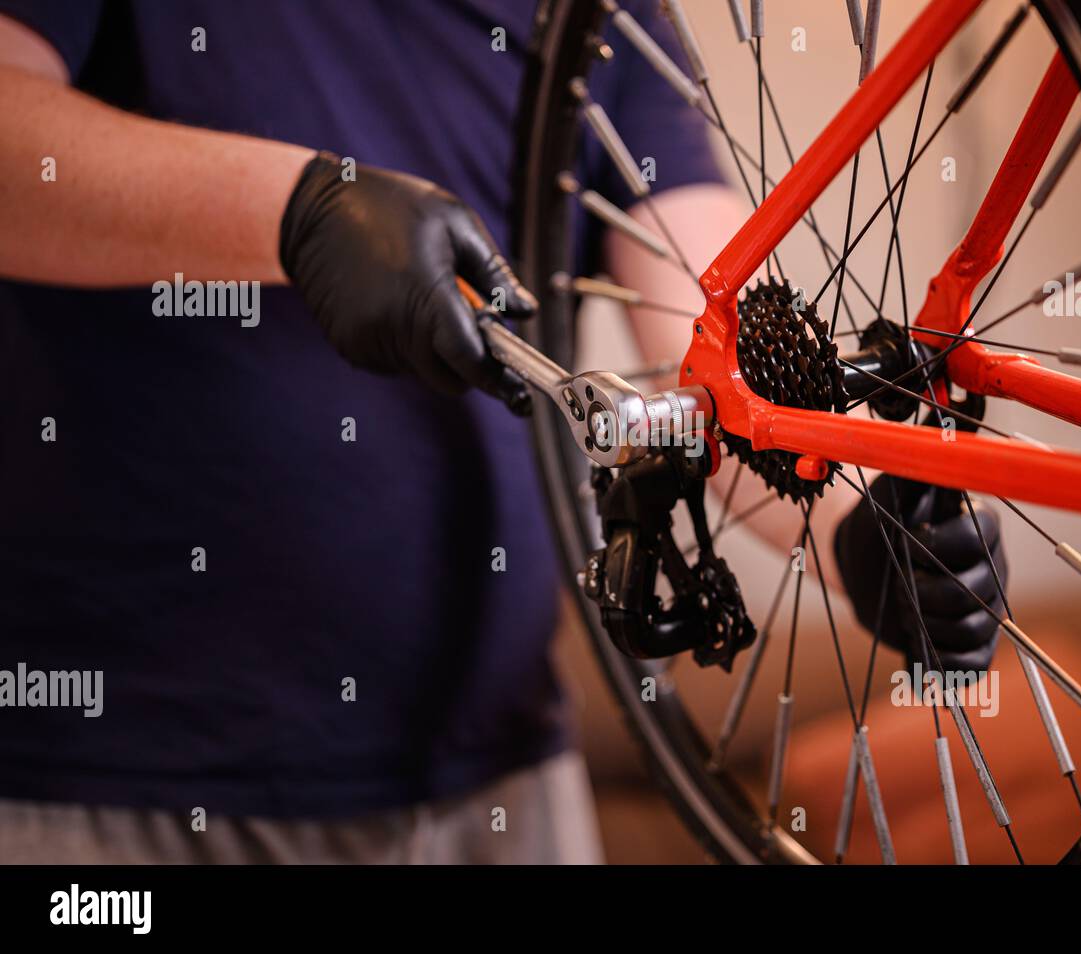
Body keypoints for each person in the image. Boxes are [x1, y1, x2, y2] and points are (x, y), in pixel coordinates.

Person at [0, 0, 1002, 864]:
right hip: (113, 784)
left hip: (504, 778)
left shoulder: (602, 17)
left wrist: (858, 528)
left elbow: (708, 337)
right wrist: (296, 210)